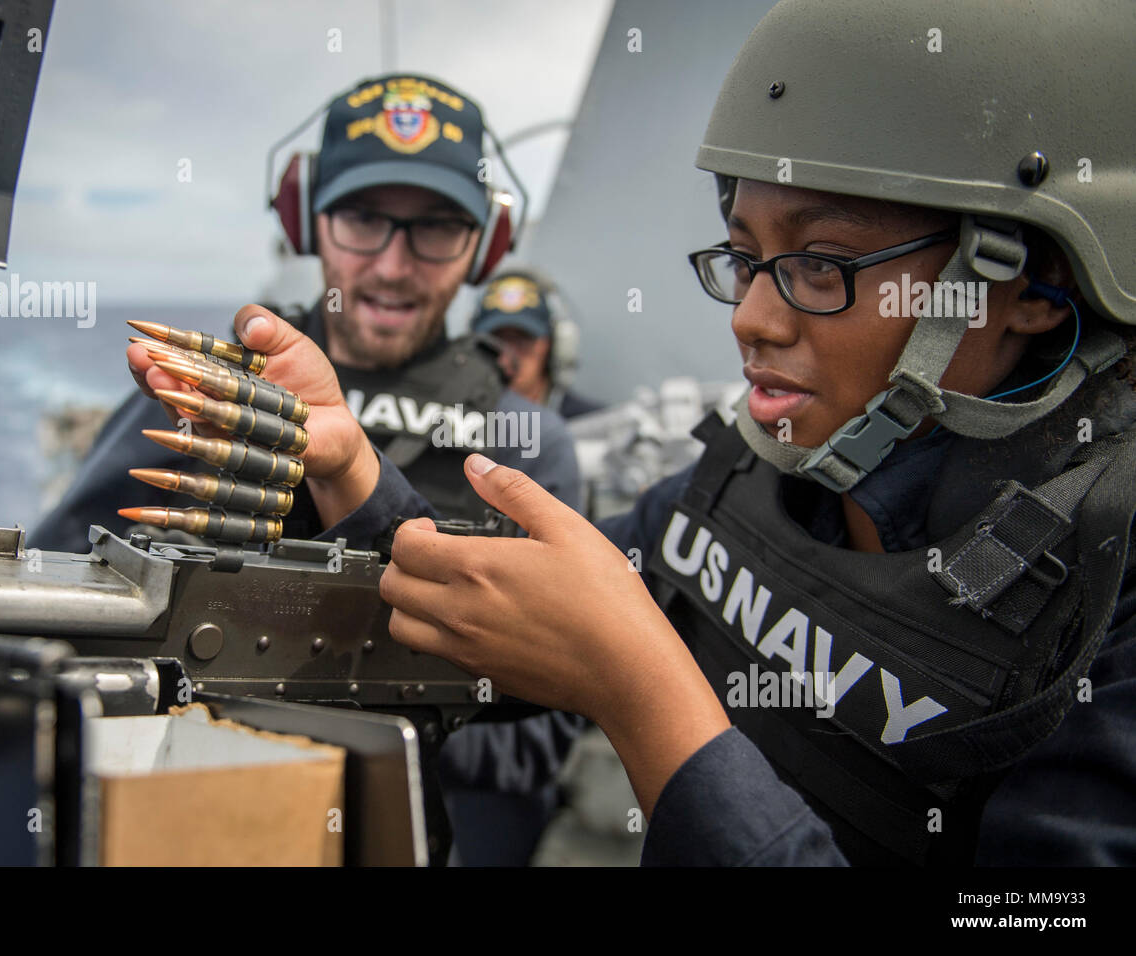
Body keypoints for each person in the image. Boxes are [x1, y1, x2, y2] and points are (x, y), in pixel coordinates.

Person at [182, 0, 1136, 865]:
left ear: (1033, 284)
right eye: (746, 259)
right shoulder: (740, 486)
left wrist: (647, 701)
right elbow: (509, 617)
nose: (751, 319)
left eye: (821, 264)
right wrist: (350, 467)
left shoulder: (1110, 590)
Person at [53, 74, 586, 866]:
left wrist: (351, 713)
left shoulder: (526, 445)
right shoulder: (216, 392)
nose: (396, 266)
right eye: (364, 219)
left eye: (439, 226)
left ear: (489, 246)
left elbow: (548, 727)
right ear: (309, 221)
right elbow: (66, 597)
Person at [469, 269, 604, 419]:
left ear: (553, 345)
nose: (508, 355)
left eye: (522, 340)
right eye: (496, 341)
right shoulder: (457, 420)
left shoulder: (592, 424)